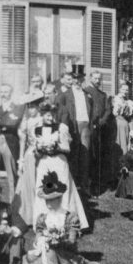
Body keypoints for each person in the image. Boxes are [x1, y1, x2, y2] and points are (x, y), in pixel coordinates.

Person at [21, 172, 121, 264]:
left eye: (52, 199)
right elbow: (38, 235)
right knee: (34, 257)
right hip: (47, 250)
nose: (48, 203)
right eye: (46, 200)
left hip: (65, 253)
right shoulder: (43, 218)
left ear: (59, 199)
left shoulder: (69, 217)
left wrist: (59, 239)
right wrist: (41, 240)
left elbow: (72, 240)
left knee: (51, 255)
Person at [31, 103, 89, 230]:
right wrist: (40, 149)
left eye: (52, 115)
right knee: (44, 188)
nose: (50, 118)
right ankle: (43, 222)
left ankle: (67, 222)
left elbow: (67, 149)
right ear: (42, 115)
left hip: (59, 161)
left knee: (63, 188)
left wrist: (56, 147)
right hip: (44, 162)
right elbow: (34, 152)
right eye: (47, 115)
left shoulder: (61, 128)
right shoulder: (37, 130)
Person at [57, 64, 94, 194]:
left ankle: (84, 186)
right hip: (73, 127)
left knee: (85, 155)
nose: (77, 81)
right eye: (75, 78)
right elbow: (59, 111)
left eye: (80, 78)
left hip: (85, 126)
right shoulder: (65, 95)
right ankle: (71, 185)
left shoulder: (87, 95)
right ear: (71, 79)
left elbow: (92, 112)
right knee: (72, 155)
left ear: (83, 79)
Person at [0, 83, 24, 201]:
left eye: (6, 92)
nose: (3, 94)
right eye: (1, 92)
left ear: (11, 93)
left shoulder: (17, 109)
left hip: (10, 143)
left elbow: (15, 125)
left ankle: (14, 205)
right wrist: (4, 126)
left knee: (12, 175)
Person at [14, 93, 45, 225]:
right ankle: (29, 214)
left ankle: (42, 214)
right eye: (29, 107)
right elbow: (23, 141)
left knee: (40, 182)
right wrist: (21, 160)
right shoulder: (26, 121)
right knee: (28, 184)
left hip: (42, 153)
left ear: (38, 107)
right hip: (30, 154)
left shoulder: (43, 120)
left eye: (33, 107)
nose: (31, 110)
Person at [82, 70, 111, 195]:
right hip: (88, 128)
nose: (98, 81)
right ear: (90, 78)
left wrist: (101, 122)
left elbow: (108, 110)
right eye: (95, 78)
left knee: (98, 157)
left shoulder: (103, 95)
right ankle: (86, 186)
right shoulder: (85, 92)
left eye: (99, 78)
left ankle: (96, 186)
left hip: (100, 129)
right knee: (89, 156)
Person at [111, 80, 133, 173]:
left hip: (125, 126)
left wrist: (132, 130)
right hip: (115, 125)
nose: (125, 91)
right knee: (116, 148)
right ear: (119, 89)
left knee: (124, 148)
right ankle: (114, 173)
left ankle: (123, 171)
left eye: (127, 90)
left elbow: (131, 118)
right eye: (123, 89)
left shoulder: (129, 102)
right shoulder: (114, 99)